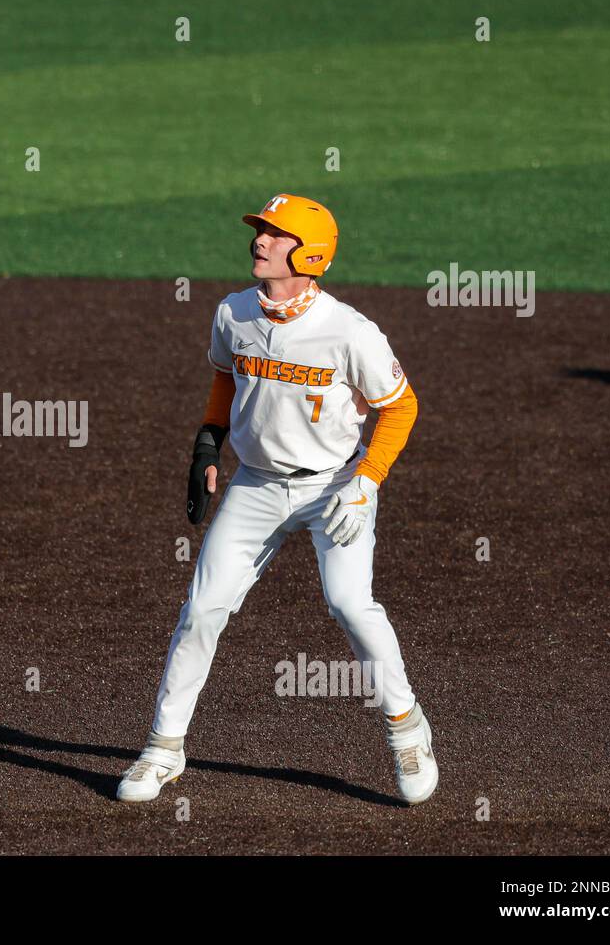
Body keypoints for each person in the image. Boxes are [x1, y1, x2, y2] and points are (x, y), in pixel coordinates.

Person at [116, 193, 437, 805]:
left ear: (308, 252)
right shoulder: (233, 313)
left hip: (335, 487)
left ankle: (406, 727)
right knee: (202, 609)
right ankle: (163, 747)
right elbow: (223, 375)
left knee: (349, 602)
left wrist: (367, 479)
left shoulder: (349, 331)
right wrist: (207, 448)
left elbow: (402, 406)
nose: (259, 240)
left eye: (274, 233)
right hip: (256, 485)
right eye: (260, 230)